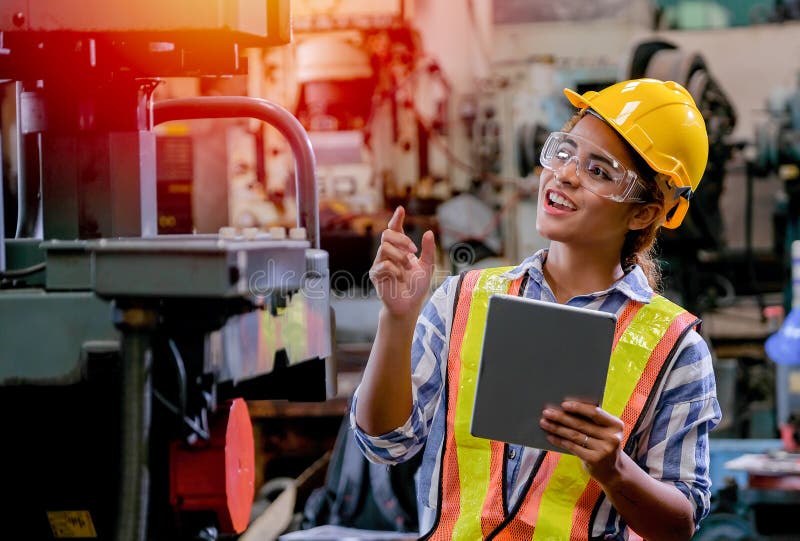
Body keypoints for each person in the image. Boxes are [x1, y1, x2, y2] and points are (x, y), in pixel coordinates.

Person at [350, 78, 721, 540]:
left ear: (643, 214)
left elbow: (678, 527)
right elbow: (386, 443)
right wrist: (397, 319)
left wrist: (614, 469)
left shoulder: (675, 348)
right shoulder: (464, 299)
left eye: (599, 171)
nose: (564, 174)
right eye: (565, 152)